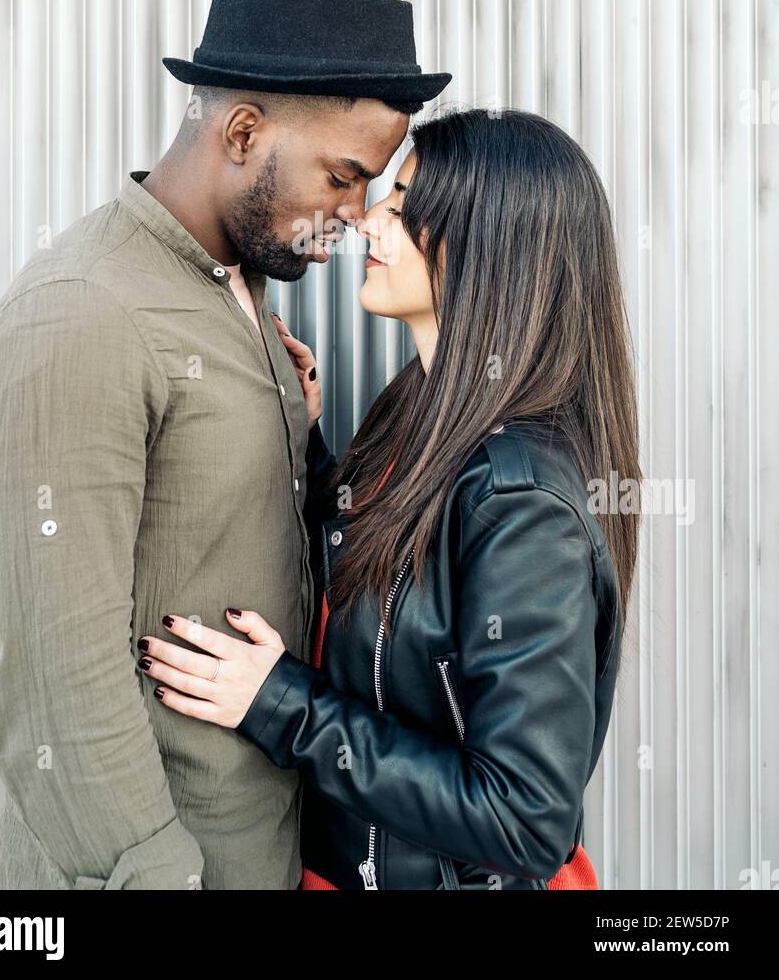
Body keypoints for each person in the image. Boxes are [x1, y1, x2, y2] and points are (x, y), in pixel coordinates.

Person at [0, 0, 451, 890]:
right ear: (241, 134)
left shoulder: (241, 294)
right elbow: (55, 680)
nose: (355, 217)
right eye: (342, 178)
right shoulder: (81, 316)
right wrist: (160, 876)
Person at [136, 106, 641, 890]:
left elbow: (524, 817)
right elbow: (380, 594)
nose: (367, 219)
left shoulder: (520, 501)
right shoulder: (415, 418)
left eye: (401, 208)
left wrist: (279, 706)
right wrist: (305, 446)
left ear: (487, 250)